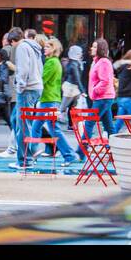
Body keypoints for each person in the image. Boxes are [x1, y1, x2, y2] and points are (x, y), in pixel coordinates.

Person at [30, 38, 79, 167]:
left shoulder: (52, 62)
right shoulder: (52, 62)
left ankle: (69, 155)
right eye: (45, 46)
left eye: (48, 46)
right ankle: (31, 154)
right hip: (48, 100)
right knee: (36, 127)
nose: (44, 48)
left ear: (54, 49)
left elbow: (42, 79)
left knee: (53, 129)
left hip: (49, 101)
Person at [11, 27, 44, 169]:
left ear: (13, 41)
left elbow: (23, 69)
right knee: (21, 122)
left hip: (27, 89)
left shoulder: (22, 48)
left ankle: (25, 159)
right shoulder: (33, 47)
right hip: (36, 87)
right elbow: (40, 67)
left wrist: (20, 86)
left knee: (22, 125)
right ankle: (33, 149)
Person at [87, 38, 116, 138]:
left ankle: (81, 151)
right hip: (103, 97)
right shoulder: (97, 62)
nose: (92, 48)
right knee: (109, 127)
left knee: (89, 123)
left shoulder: (104, 62)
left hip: (102, 98)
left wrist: (95, 91)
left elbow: (105, 81)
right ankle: (114, 149)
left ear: (100, 49)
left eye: (95, 47)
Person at [113, 46, 131, 130]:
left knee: (119, 122)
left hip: (121, 97)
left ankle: (111, 139)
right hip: (128, 98)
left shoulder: (123, 67)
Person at [59, 43, 85, 127]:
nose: (81, 54)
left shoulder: (72, 63)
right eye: (79, 52)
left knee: (73, 106)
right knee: (63, 107)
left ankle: (72, 125)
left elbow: (66, 76)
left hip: (71, 87)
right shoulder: (74, 64)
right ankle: (52, 121)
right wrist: (82, 90)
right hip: (71, 87)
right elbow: (77, 79)